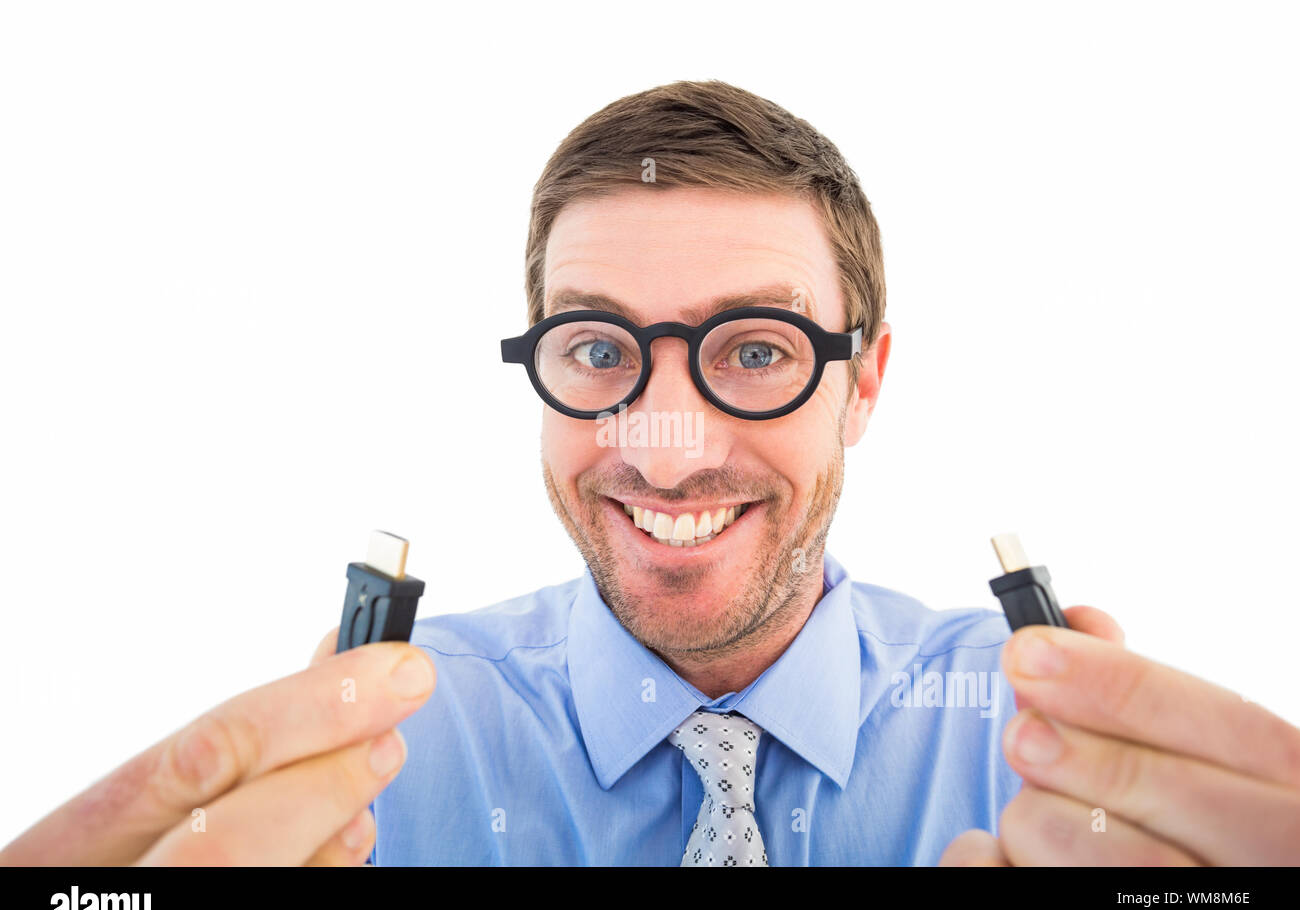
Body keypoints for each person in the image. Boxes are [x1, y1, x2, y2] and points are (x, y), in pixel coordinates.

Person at [5, 81, 1297, 867]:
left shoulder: (1042, 761)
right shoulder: (365, 768)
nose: (662, 434)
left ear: (866, 382)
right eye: (599, 347)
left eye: (752, 347)